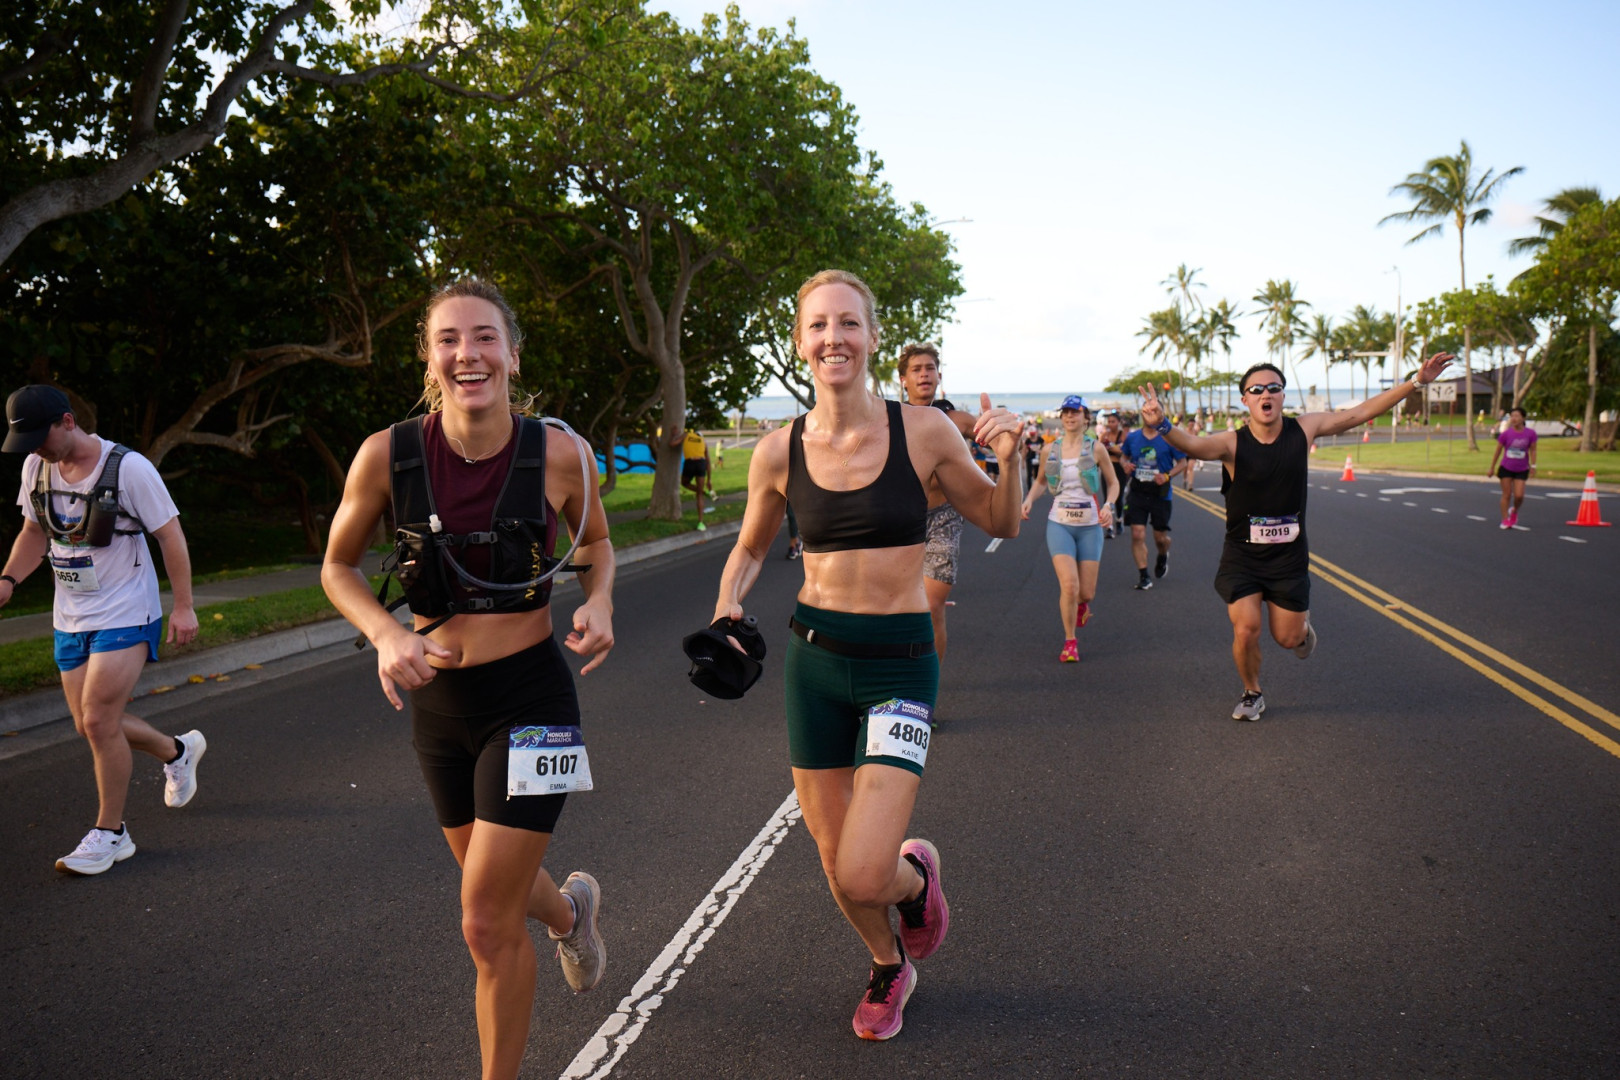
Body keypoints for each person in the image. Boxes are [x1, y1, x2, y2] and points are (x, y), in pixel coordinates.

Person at [709, 269, 1023, 1041]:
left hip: (899, 663)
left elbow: (1002, 519)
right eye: (818, 326)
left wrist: (1012, 453)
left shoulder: (922, 432)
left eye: (848, 324)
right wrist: (726, 604)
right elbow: (751, 549)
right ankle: (889, 965)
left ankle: (914, 881)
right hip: (812, 665)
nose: (833, 339)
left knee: (863, 869)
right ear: (799, 342)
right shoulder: (778, 450)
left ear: (872, 337)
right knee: (829, 852)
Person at [321, 278, 616, 1080]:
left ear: (512, 355)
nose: (467, 354)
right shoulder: (389, 455)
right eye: (449, 340)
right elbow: (338, 567)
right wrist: (384, 632)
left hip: (532, 697)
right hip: (440, 710)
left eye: (484, 337)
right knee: (509, 895)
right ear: (430, 359)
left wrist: (602, 600)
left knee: (484, 923)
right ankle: (571, 914)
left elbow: (595, 548)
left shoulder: (558, 453)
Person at [1140, 353, 1454, 720]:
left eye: (1273, 387)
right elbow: (1192, 446)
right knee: (1246, 628)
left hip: (1288, 558)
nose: (1265, 394)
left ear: (1283, 396)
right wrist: (1162, 424)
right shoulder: (1231, 444)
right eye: (1256, 389)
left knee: (1288, 639)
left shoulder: (1304, 429)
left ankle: (1302, 632)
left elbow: (1360, 413)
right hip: (1242, 555)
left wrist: (1415, 383)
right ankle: (1251, 692)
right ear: (1245, 400)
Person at [1, 385, 204, 876]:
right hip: (70, 615)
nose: (34, 448)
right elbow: (33, 532)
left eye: (40, 436)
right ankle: (177, 750)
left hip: (127, 611)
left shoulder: (129, 469)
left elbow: (169, 534)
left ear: (68, 421)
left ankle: (111, 834)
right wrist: (8, 579)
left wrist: (183, 607)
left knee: (97, 721)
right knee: (91, 724)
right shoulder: (36, 467)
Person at [896, 341, 979, 659]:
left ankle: (928, 694)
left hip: (944, 517)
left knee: (932, 607)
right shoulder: (891, 419)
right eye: (916, 369)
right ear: (903, 379)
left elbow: (997, 440)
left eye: (929, 368)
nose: (923, 374)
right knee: (896, 610)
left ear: (939, 376)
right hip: (902, 518)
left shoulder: (956, 421)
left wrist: (1004, 432)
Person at [1021, 396, 1119, 662]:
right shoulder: (1049, 450)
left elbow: (1113, 483)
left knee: (1086, 592)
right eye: (1065, 412)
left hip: (1089, 526)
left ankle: (1082, 605)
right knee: (1069, 585)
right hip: (1060, 524)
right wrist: (1028, 500)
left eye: (1074, 412)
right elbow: (1041, 481)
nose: (1069, 417)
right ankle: (1070, 641)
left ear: (1085, 417)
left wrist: (1109, 505)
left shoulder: (1096, 449)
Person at [1121, 414, 1187, 590]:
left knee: (1160, 538)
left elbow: (1182, 462)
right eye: (1146, 413)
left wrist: (1167, 476)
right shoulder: (1133, 437)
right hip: (1138, 490)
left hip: (1160, 492)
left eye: (1153, 413)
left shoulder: (1169, 438)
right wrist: (1125, 465)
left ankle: (1163, 553)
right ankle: (1144, 576)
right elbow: (1123, 457)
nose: (1149, 417)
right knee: (1137, 533)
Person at [1488, 407, 1537, 528]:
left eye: (1517, 416)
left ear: (1523, 418)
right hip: (1506, 467)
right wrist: (1492, 467)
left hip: (1522, 468)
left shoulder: (1530, 434)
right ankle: (1505, 520)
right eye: (1512, 416)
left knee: (1519, 496)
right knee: (1507, 494)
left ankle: (1514, 511)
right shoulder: (1506, 434)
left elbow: (1533, 450)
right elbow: (1498, 451)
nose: (1514, 419)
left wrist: (1533, 465)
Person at [671, 424, 715, 531]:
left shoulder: (686, 435)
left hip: (690, 463)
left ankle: (702, 491)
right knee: (699, 495)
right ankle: (701, 523)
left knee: (684, 483)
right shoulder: (703, 442)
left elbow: (672, 444)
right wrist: (709, 480)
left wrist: (674, 435)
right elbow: (708, 462)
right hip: (701, 463)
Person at [1098, 410, 1128, 539]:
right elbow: (1099, 449)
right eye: (1109, 422)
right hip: (1107, 468)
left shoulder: (1123, 436)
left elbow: (1123, 451)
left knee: (1119, 497)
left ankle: (1119, 520)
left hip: (1119, 468)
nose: (1110, 424)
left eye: (1113, 421)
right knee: (1107, 498)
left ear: (1119, 423)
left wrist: (1111, 447)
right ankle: (1109, 527)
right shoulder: (1104, 435)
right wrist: (1113, 447)